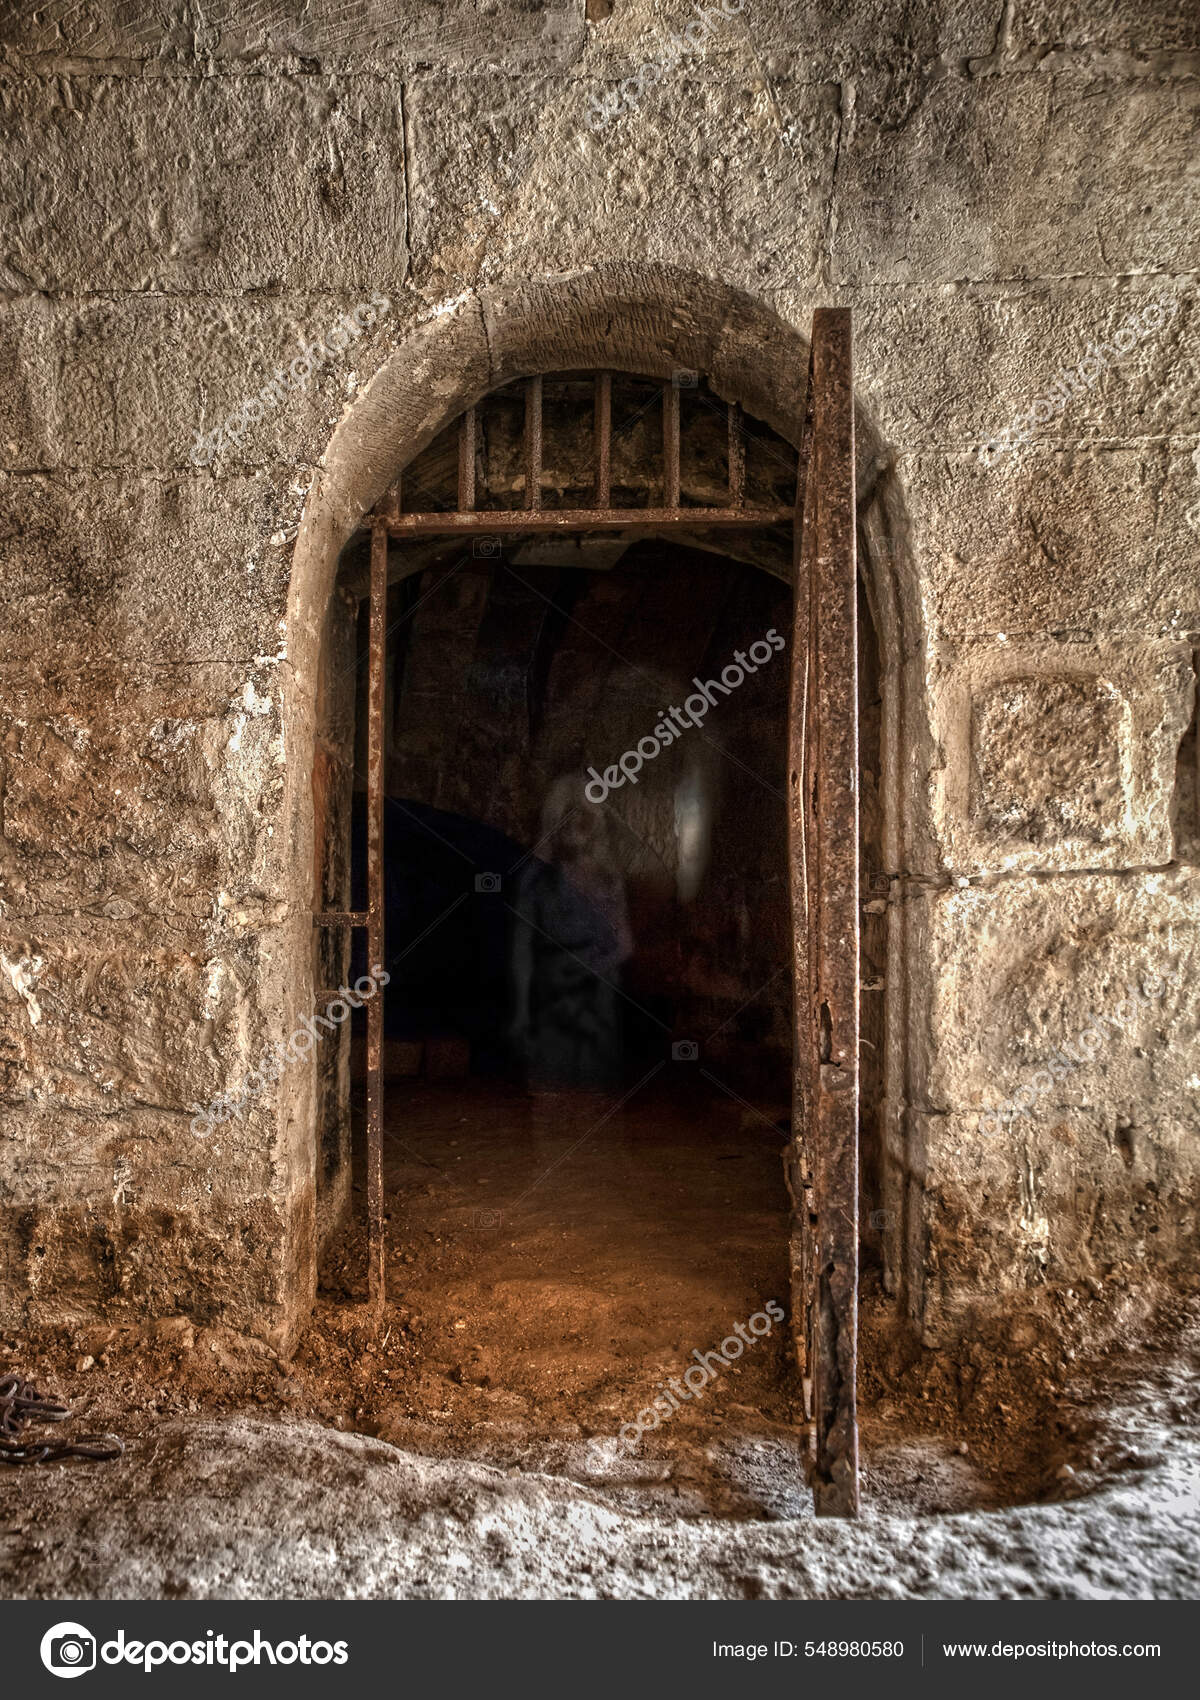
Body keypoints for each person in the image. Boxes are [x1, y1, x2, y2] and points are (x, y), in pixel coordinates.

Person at [510, 781, 632, 1092]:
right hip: (552, 999)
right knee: (552, 1090)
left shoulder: (608, 879)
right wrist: (522, 1009)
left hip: (595, 998)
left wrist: (583, 971)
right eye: (569, 813)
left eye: (585, 814)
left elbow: (624, 945)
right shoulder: (538, 879)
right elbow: (522, 947)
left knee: (594, 1091)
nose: (577, 822)